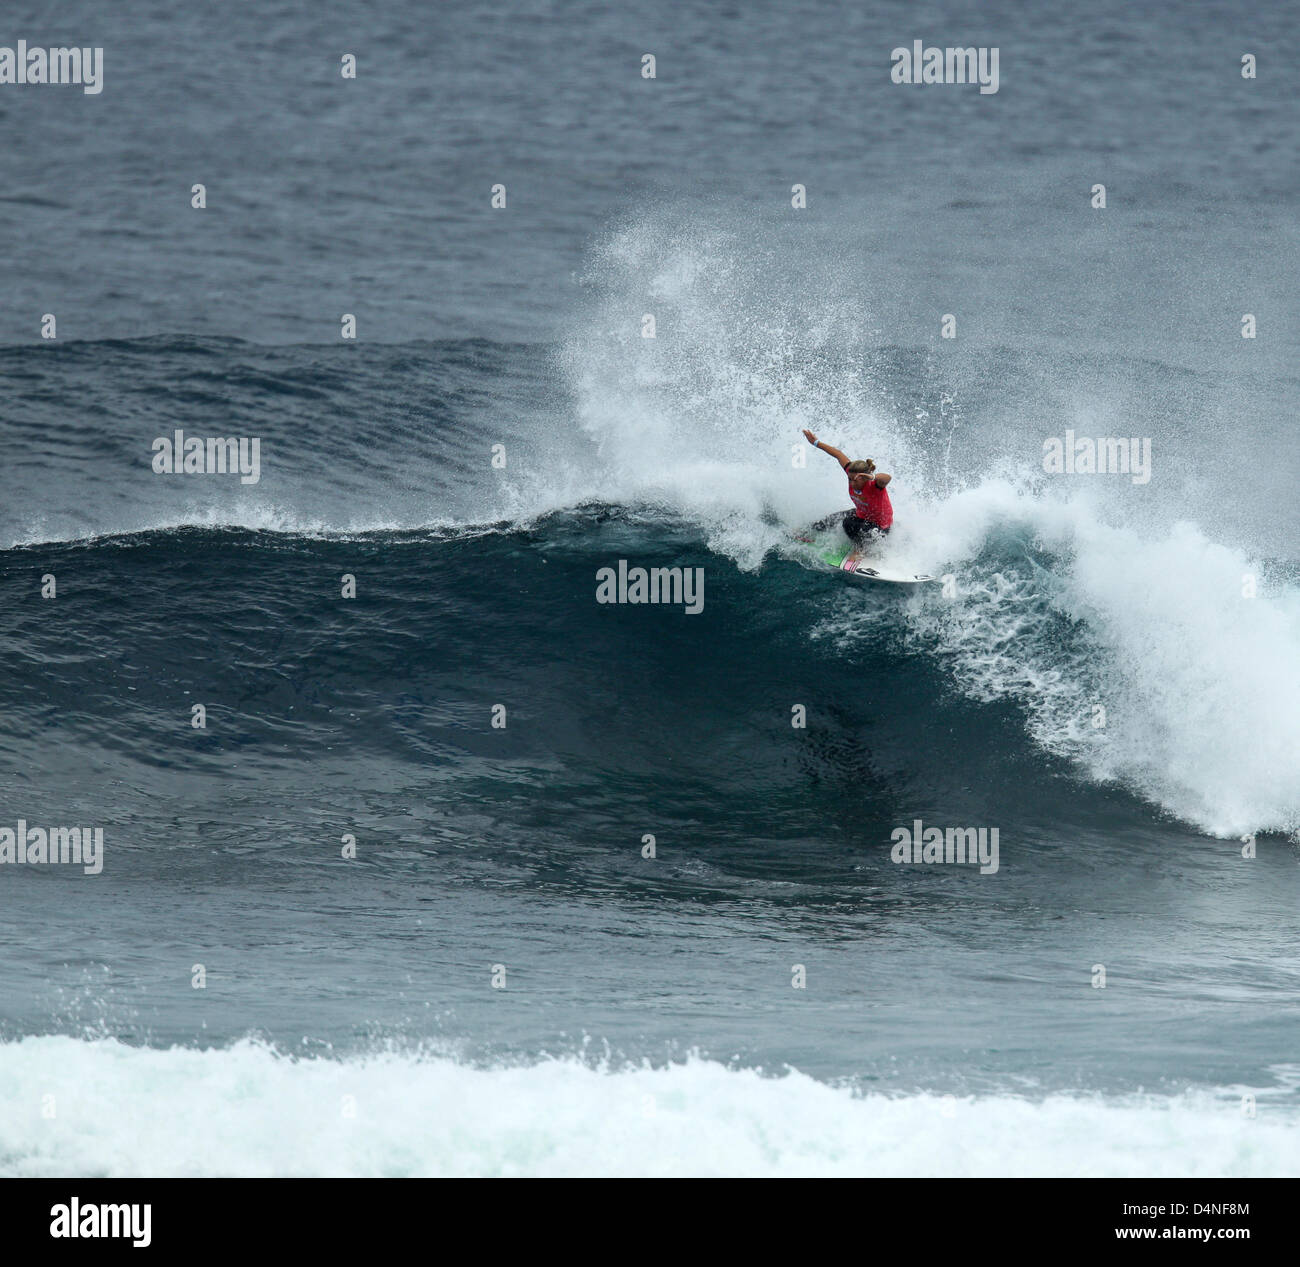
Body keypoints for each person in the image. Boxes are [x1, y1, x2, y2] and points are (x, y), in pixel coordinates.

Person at [801, 429, 893, 543]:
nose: (852, 483)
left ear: (864, 478)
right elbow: (838, 454)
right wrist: (816, 442)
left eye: (855, 481)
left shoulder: (875, 485)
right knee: (831, 520)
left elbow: (887, 478)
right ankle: (808, 534)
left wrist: (873, 477)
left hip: (881, 528)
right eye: (849, 479)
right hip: (863, 516)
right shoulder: (852, 473)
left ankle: (860, 550)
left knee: (848, 523)